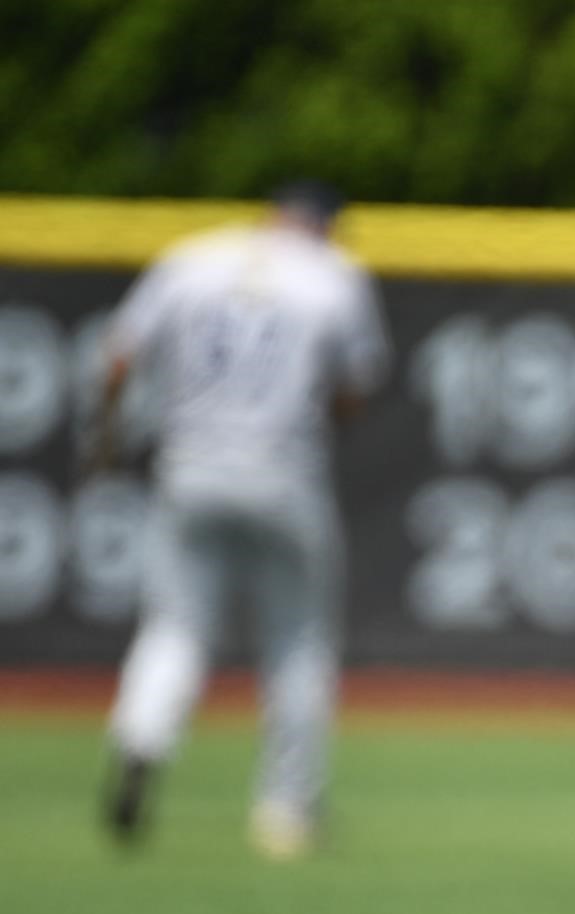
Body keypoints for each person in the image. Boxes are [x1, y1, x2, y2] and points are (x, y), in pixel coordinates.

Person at [95, 179, 391, 861]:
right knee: (299, 641)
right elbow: (353, 390)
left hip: (188, 468)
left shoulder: (192, 257)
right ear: (324, 225)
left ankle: (142, 736)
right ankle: (285, 811)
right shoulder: (332, 276)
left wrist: (106, 444)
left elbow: (116, 359)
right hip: (284, 473)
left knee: (175, 626)